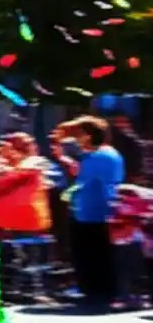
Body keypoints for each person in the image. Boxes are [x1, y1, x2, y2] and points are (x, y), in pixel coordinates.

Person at [65, 115, 125, 309]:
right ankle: (98, 291)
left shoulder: (98, 156)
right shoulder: (106, 154)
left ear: (88, 135)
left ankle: (96, 292)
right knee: (97, 254)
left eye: (78, 134)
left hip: (93, 212)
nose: (76, 139)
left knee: (91, 254)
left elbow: (84, 181)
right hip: (96, 211)